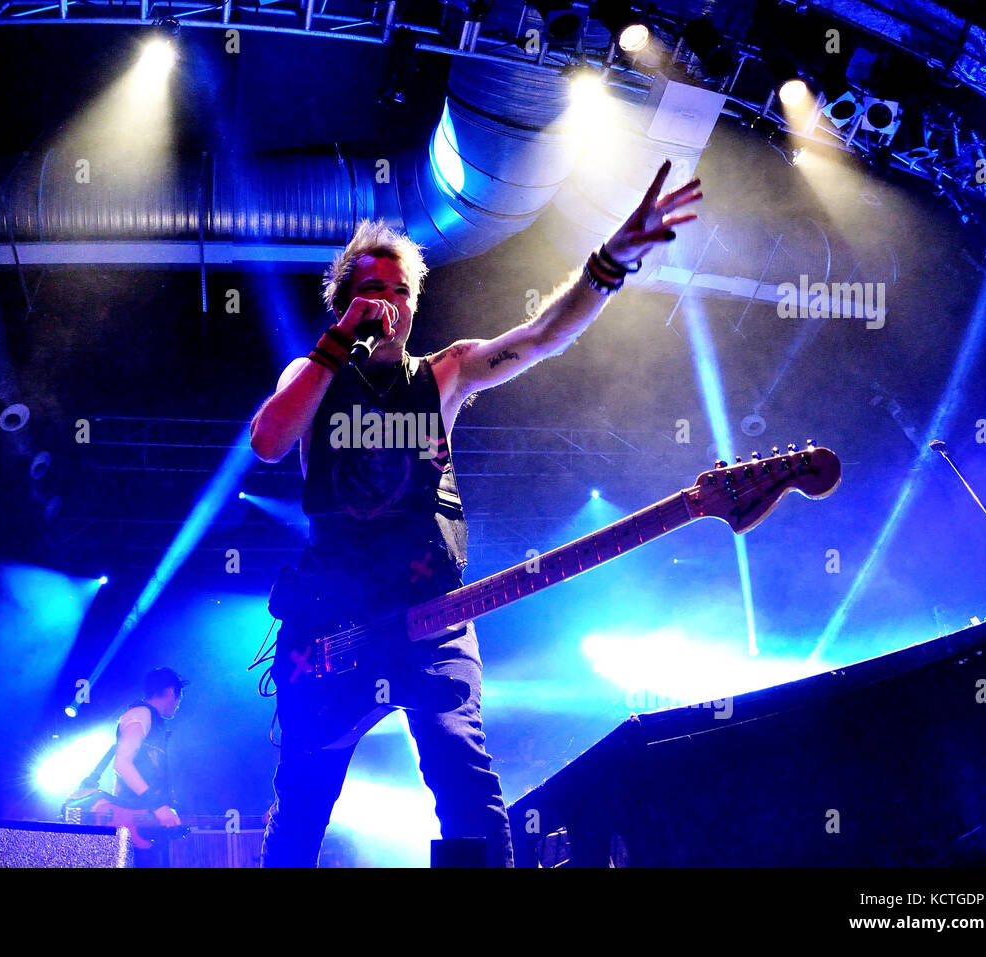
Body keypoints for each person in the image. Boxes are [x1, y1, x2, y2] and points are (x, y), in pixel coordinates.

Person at [249, 160, 702, 867]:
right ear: (343, 302)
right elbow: (270, 440)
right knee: (303, 803)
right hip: (330, 624)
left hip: (433, 617)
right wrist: (339, 343)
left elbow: (541, 336)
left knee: (468, 790)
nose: (389, 303)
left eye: (400, 291)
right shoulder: (311, 377)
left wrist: (611, 262)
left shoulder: (445, 372)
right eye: (372, 289)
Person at [112, 667, 188, 865]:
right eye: (180, 696)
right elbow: (121, 763)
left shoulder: (154, 721)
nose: (179, 704)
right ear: (172, 692)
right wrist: (158, 807)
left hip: (145, 822)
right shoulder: (141, 714)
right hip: (136, 822)